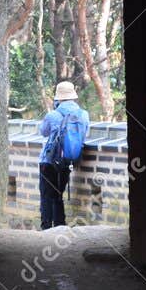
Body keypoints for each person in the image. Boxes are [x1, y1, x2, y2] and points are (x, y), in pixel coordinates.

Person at [37, 80, 91, 230]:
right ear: (73, 96)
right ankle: (60, 226)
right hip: (68, 161)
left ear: (58, 98)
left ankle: (46, 228)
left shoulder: (53, 114)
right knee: (58, 195)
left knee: (47, 196)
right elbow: (84, 134)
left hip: (48, 161)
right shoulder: (83, 115)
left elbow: (43, 132)